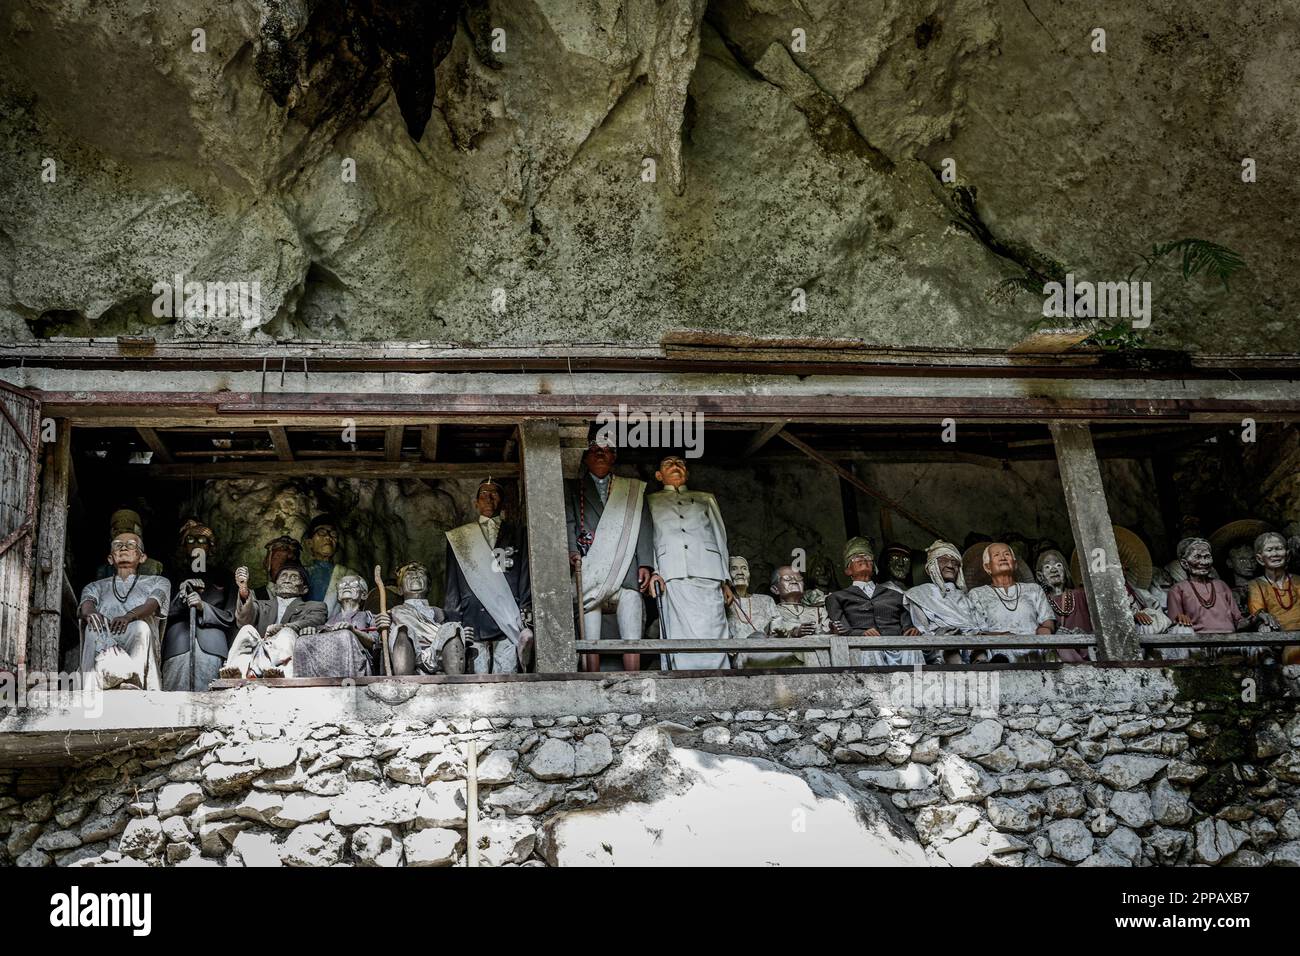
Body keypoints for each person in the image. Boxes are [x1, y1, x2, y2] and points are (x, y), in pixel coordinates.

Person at [566, 435, 653, 672]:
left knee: (632, 608)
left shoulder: (631, 489)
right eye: (595, 450)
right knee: (589, 620)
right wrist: (572, 551)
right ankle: (591, 675)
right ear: (585, 457)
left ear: (614, 457)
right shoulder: (573, 489)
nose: (601, 454)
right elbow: (569, 521)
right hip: (590, 565)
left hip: (625, 567)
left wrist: (645, 563)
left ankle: (633, 673)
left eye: (607, 450)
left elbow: (644, 525)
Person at [646, 454, 733, 670]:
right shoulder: (650, 501)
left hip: (708, 570)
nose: (675, 466)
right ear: (659, 475)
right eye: (668, 463)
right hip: (671, 571)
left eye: (680, 463)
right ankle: (682, 673)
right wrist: (654, 571)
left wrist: (725, 580)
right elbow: (649, 538)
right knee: (676, 628)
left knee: (714, 624)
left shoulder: (705, 498)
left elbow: (719, 536)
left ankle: (719, 673)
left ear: (687, 472)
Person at [445, 478, 533, 674]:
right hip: (473, 615)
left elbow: (526, 574)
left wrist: (524, 610)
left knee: (508, 676)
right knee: (477, 680)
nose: (489, 498)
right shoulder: (460, 538)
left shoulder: (519, 533)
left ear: (501, 501)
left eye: (494, 494)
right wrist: (454, 623)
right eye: (483, 494)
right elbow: (452, 584)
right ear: (476, 502)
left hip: (509, 614)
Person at [79, 531, 170, 689]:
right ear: (110, 558)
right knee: (92, 628)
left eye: (130, 545)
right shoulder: (95, 586)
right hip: (104, 635)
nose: (123, 548)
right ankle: (89, 685)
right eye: (118, 545)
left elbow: (152, 605)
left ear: (142, 557)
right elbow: (87, 603)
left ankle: (134, 681)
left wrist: (129, 617)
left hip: (134, 633)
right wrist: (91, 613)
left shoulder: (158, 582)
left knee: (140, 628)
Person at [162, 519, 236, 690]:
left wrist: (204, 608)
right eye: (190, 540)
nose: (196, 544)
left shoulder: (224, 576)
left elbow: (231, 616)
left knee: (210, 699)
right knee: (174, 698)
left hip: (212, 644)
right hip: (178, 643)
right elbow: (162, 612)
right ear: (183, 546)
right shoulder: (171, 575)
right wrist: (182, 596)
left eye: (202, 540)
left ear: (211, 548)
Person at [221, 563, 326, 679]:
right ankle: (237, 669)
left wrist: (283, 627)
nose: (287, 580)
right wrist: (243, 589)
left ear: (304, 589)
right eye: (283, 576)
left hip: (287, 650)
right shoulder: (261, 605)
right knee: (247, 629)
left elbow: (314, 621)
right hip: (259, 648)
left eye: (294, 577)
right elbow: (244, 620)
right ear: (275, 587)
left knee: (287, 633)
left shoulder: (315, 606)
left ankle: (279, 670)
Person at [826, 537, 920, 666]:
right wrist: (861, 633)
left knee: (914, 649)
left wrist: (910, 629)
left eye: (867, 557)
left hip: (897, 645)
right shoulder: (837, 597)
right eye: (856, 558)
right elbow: (842, 628)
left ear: (873, 566)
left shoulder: (895, 594)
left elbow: (906, 622)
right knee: (871, 650)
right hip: (864, 649)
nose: (863, 559)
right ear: (848, 571)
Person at [966, 542, 1055, 663]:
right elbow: (978, 633)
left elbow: (1048, 621)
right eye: (996, 555)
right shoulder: (977, 594)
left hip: (1035, 656)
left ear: (1015, 564)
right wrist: (1004, 636)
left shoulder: (1034, 589)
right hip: (1000, 658)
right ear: (987, 567)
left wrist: (1046, 629)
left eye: (1007, 554)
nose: (1003, 558)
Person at [904, 540, 979, 664]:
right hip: (940, 650)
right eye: (944, 560)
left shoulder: (967, 598)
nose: (950, 565)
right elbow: (923, 630)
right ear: (932, 565)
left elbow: (978, 626)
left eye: (954, 562)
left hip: (972, 649)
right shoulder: (918, 594)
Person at [387, 562, 468, 675]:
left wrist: (461, 634)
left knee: (453, 627)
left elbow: (448, 635)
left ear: (429, 586)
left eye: (420, 574)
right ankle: (404, 680)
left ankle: (455, 680)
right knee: (402, 630)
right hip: (412, 650)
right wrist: (383, 624)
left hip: (438, 651)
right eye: (409, 575)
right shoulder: (396, 611)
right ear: (400, 589)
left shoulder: (439, 612)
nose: (415, 576)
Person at [294, 574, 377, 678]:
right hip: (327, 661)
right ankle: (304, 682)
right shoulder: (330, 620)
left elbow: (374, 642)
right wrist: (311, 631)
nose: (346, 586)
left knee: (344, 635)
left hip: (356, 659)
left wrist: (352, 630)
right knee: (302, 641)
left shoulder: (370, 617)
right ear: (338, 595)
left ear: (364, 594)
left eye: (353, 584)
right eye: (342, 585)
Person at [1244, 532, 1300, 664]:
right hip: (1283, 639)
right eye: (1269, 550)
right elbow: (1258, 612)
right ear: (1259, 558)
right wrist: (1263, 620)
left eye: (1279, 549)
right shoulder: (1255, 584)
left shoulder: (1298, 580)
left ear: (1287, 554)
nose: (1275, 554)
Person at [302, 515, 357, 617]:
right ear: (309, 543)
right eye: (321, 533)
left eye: (333, 534)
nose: (328, 537)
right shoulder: (302, 573)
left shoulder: (347, 574)